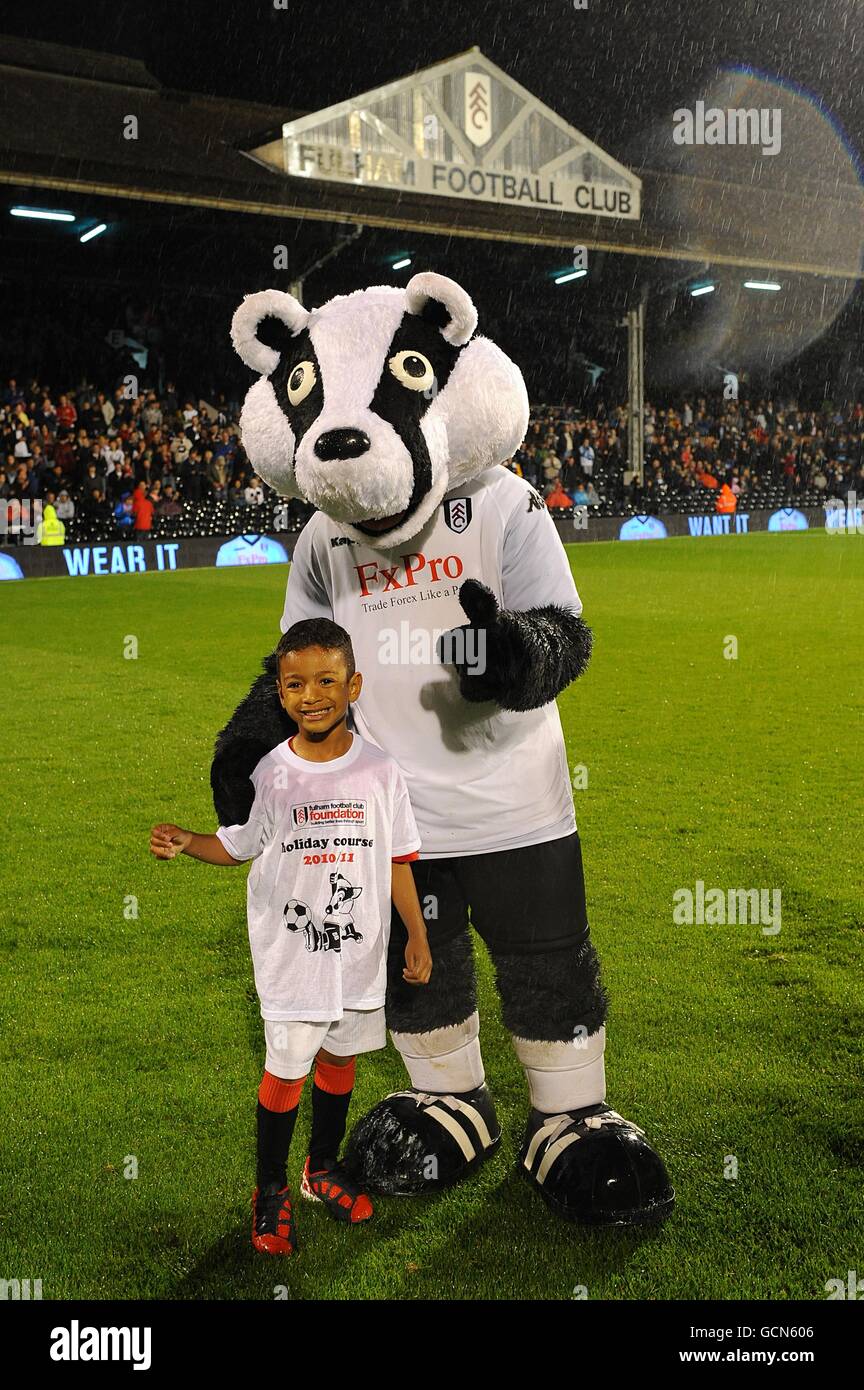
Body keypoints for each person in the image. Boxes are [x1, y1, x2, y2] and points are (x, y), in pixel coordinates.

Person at [150, 618, 432, 1256]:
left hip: (358, 957)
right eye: (296, 683)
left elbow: (397, 860)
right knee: (286, 1070)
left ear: (352, 684)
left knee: (341, 1059)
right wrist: (188, 842)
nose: (313, 695)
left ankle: (321, 1169)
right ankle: (270, 1189)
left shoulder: (383, 772)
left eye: (326, 680)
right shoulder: (274, 772)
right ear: (280, 694)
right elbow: (242, 844)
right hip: (292, 957)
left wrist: (416, 934)